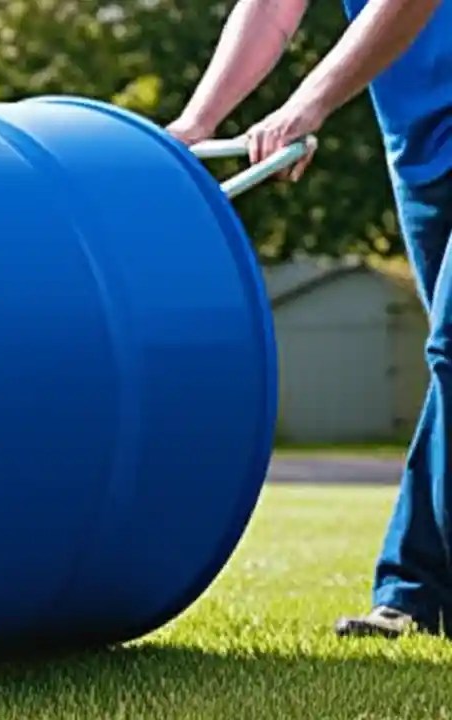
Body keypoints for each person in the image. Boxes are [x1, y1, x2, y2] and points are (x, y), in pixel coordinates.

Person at [166, 0, 452, 638]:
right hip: (422, 140)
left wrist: (309, 100)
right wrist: (196, 122)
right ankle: (421, 595)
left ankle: (415, 591)